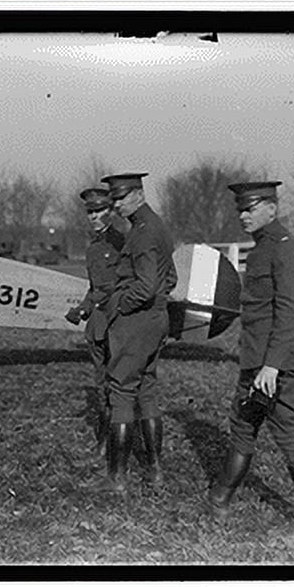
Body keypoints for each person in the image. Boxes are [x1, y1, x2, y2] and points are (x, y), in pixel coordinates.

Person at [205, 181, 294, 538]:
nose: (243, 214)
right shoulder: (260, 249)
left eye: (252, 207)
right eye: (241, 208)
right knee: (243, 424)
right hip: (254, 361)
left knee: (289, 434)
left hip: (276, 365)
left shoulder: (285, 250)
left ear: (272, 208)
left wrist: (271, 366)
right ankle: (219, 500)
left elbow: (290, 315)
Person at [99, 172, 177, 491]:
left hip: (137, 320)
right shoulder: (156, 227)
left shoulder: (142, 234)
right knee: (146, 390)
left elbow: (144, 287)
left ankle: (116, 478)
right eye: (114, 199)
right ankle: (155, 470)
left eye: (120, 198)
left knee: (120, 391)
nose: (116, 205)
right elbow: (169, 278)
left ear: (138, 195)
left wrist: (120, 306)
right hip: (157, 319)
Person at [65, 187, 126, 458]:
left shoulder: (122, 244)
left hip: (118, 322)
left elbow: (121, 286)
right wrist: (82, 309)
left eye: (100, 211)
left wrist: (98, 300)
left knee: (118, 385)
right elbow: (95, 288)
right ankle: (105, 438)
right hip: (98, 325)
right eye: (90, 212)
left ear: (111, 212)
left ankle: (117, 442)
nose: (94, 216)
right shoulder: (93, 249)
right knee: (101, 383)